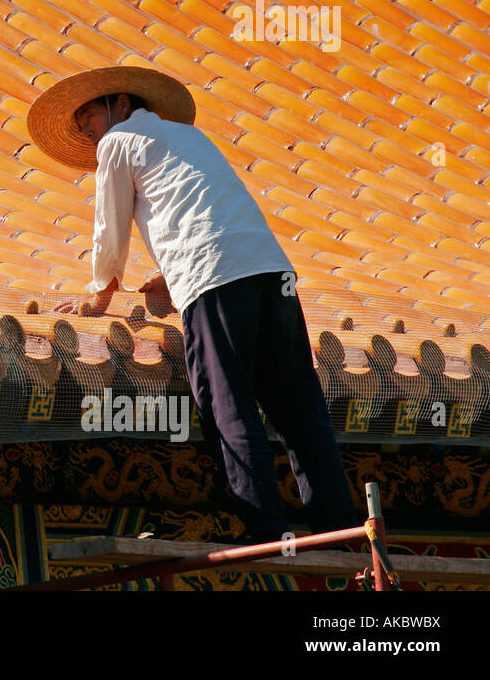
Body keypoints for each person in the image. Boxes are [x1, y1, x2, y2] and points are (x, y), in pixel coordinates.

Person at [26, 65, 357, 544]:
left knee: (228, 403)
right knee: (301, 410)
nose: (88, 131)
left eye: (89, 117)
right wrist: (167, 272)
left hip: (215, 281)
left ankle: (265, 533)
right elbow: (205, 210)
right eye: (81, 127)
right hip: (270, 273)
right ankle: (342, 532)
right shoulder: (190, 138)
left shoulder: (119, 143)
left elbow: (110, 223)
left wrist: (101, 291)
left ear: (121, 105)